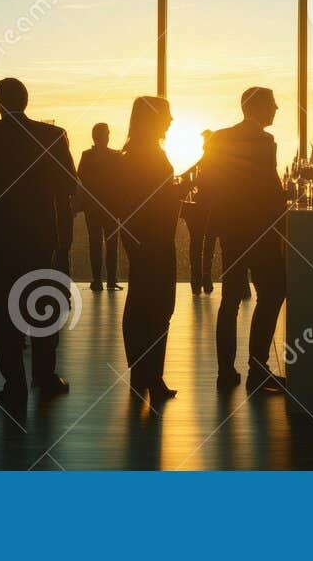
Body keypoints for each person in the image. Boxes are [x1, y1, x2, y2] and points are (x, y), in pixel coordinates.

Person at [0, 78, 76, 405]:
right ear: (26, 100)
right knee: (42, 304)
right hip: (39, 234)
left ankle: (14, 383)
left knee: (3, 312)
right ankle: (45, 374)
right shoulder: (53, 136)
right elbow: (68, 182)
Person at [205, 87, 288, 392]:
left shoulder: (220, 138)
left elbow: (207, 182)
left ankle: (225, 371)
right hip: (260, 231)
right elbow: (270, 190)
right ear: (259, 107)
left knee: (229, 300)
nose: (277, 109)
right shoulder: (265, 142)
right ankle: (258, 368)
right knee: (274, 290)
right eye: (273, 104)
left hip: (232, 230)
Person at [115, 97, 190, 402]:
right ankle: (150, 375)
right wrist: (180, 190)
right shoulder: (146, 153)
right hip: (153, 238)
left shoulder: (136, 151)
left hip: (145, 237)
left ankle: (143, 374)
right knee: (156, 305)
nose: (172, 120)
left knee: (146, 303)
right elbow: (151, 200)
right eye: (168, 115)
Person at [76, 122, 123, 292]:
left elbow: (79, 180)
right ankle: (110, 279)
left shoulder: (86, 155)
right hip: (111, 206)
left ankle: (97, 280)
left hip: (92, 206)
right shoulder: (116, 156)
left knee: (95, 242)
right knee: (111, 243)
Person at [181, 130, 217, 295]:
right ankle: (204, 277)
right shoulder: (213, 157)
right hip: (210, 205)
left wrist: (186, 179)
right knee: (207, 241)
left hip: (203, 205)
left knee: (198, 241)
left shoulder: (211, 157)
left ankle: (197, 279)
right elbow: (195, 168)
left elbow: (197, 173)